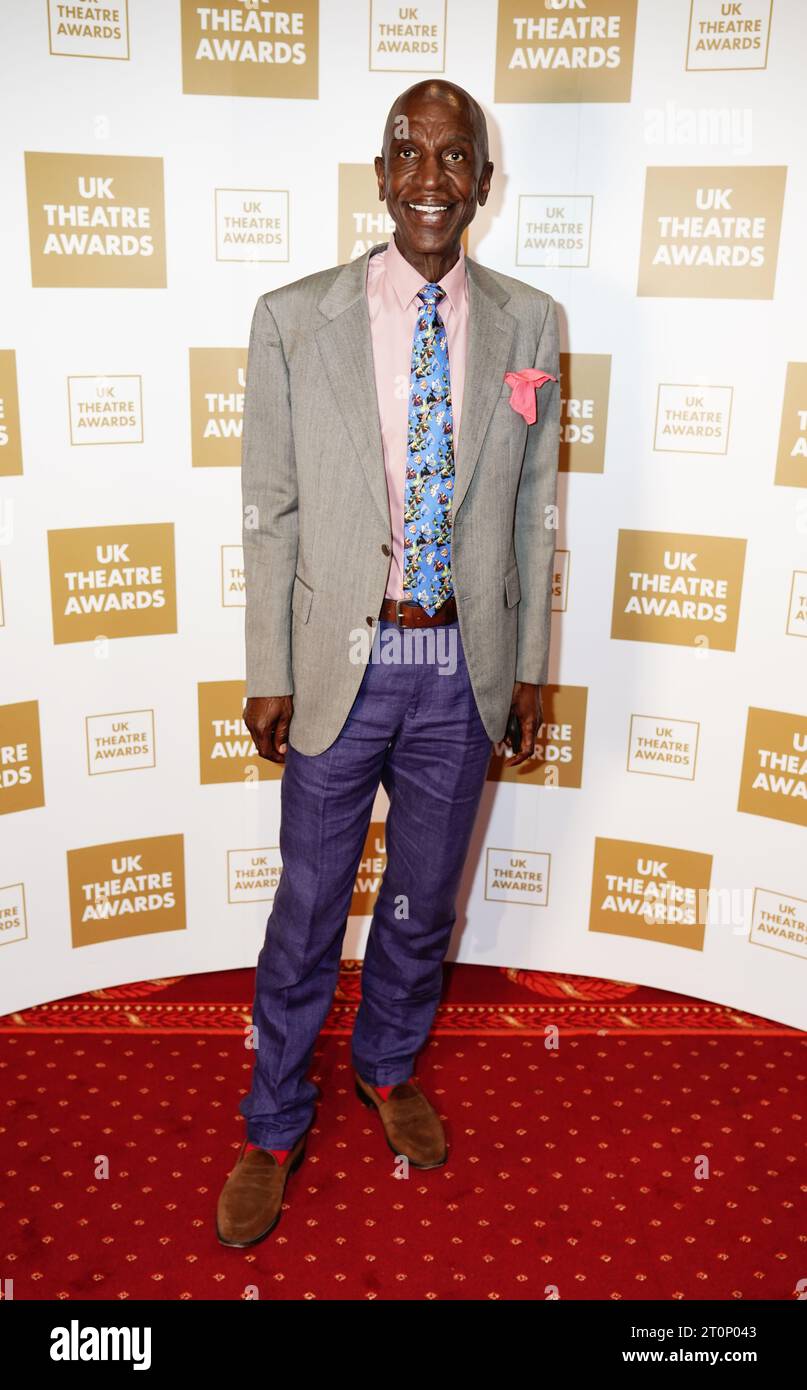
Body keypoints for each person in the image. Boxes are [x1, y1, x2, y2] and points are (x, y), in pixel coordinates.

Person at [216, 78, 561, 1247]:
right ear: (377, 174)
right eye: (407, 153)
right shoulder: (290, 317)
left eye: (454, 156)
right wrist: (267, 660)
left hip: (460, 669)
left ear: (483, 183)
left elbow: (531, 514)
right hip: (335, 666)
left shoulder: (529, 324)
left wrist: (528, 666)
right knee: (309, 904)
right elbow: (271, 508)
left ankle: (388, 1063)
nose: (429, 176)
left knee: (420, 902)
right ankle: (271, 1120)